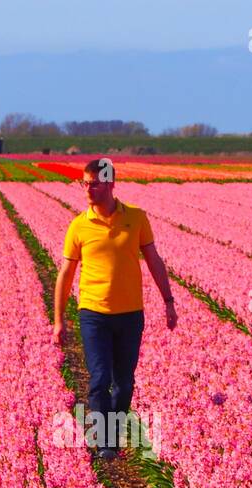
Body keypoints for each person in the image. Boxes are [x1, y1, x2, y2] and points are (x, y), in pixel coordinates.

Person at [53, 157, 178, 460]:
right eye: (85, 184)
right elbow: (66, 274)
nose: (88, 189)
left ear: (110, 183)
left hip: (130, 314)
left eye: (94, 183)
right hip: (93, 313)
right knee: (98, 379)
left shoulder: (135, 219)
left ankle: (114, 432)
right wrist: (59, 320)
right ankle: (105, 442)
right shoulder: (79, 226)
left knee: (124, 382)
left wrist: (168, 301)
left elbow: (154, 261)